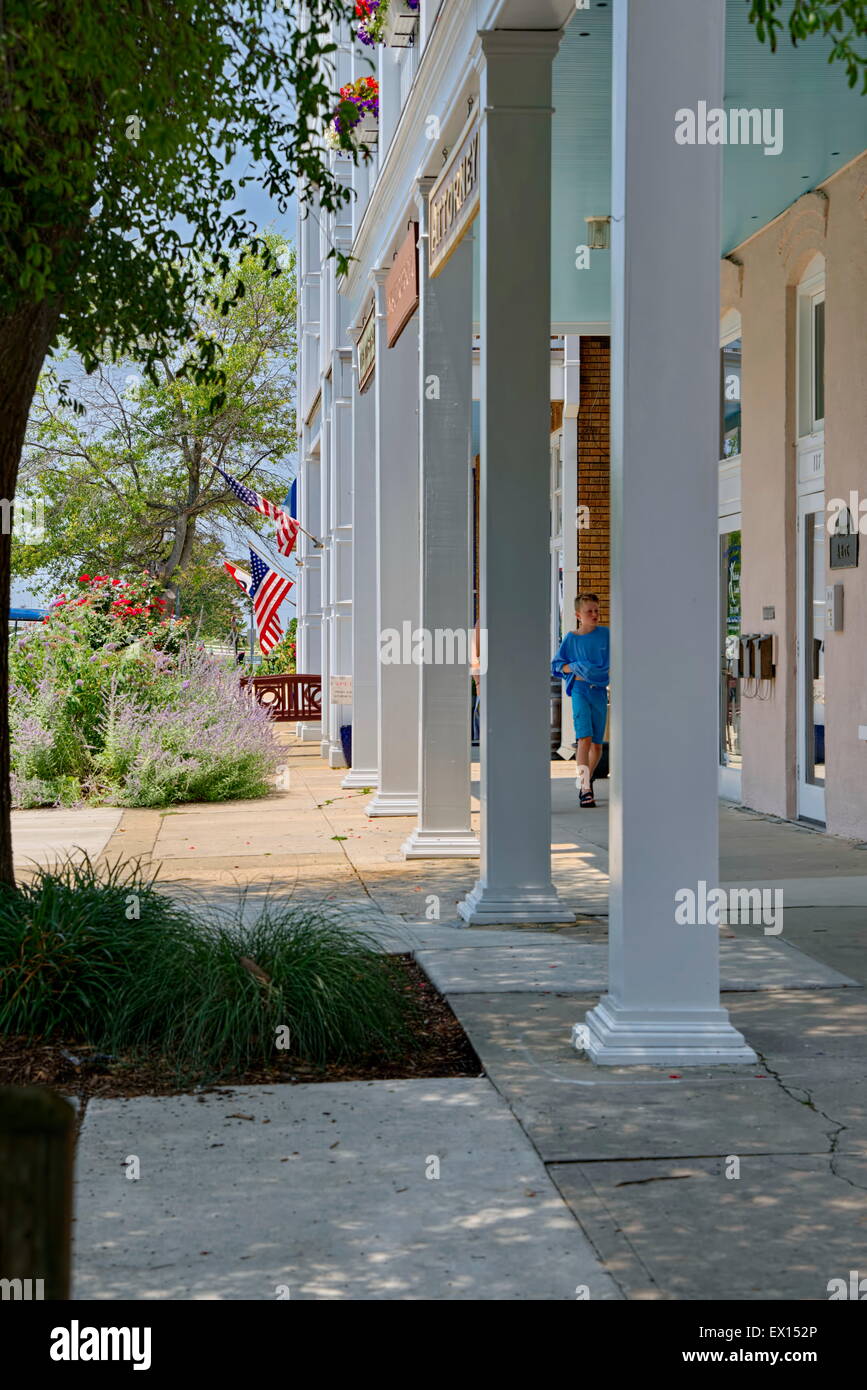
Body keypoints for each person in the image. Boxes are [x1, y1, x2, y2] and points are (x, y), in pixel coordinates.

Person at [551, 593, 610, 808]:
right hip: (580, 690)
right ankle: (585, 789)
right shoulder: (571, 639)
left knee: (598, 746)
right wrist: (574, 667)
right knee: (583, 739)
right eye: (589, 611)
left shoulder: (606, 635)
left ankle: (586, 778)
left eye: (596, 610)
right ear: (578, 615)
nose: (594, 614)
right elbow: (557, 665)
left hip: (600, 691)